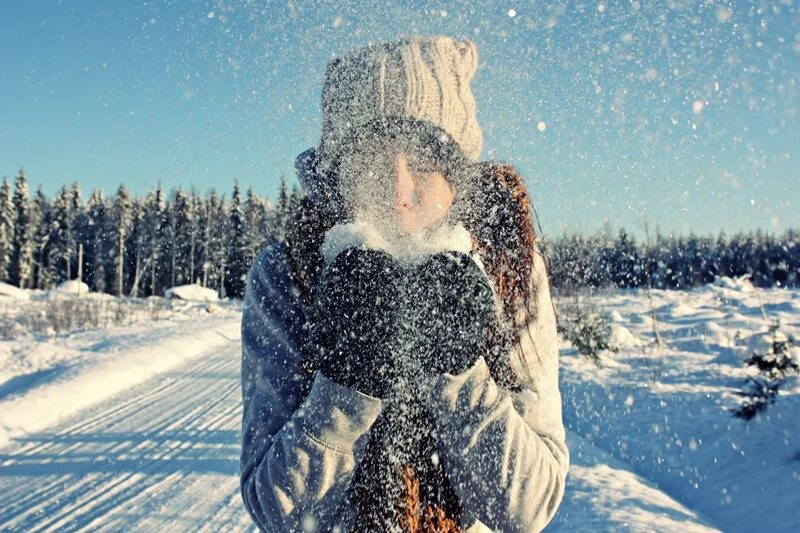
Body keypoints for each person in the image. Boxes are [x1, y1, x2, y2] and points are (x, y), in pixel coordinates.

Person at [240, 35, 568, 533]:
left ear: (458, 177)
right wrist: (345, 388)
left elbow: (530, 507)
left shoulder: (509, 267)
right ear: (338, 176)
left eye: (421, 163)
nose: (398, 192)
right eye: (372, 161)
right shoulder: (290, 272)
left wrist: (460, 374)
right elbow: (273, 508)